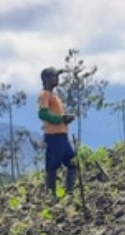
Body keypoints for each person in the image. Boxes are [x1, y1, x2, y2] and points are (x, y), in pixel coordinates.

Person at [39, 67, 78, 196]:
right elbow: (43, 114)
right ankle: (52, 195)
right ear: (46, 79)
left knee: (73, 162)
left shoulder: (54, 96)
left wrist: (65, 120)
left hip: (61, 134)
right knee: (52, 166)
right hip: (53, 136)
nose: (57, 78)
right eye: (54, 76)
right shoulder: (44, 95)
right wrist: (60, 119)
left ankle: (68, 191)